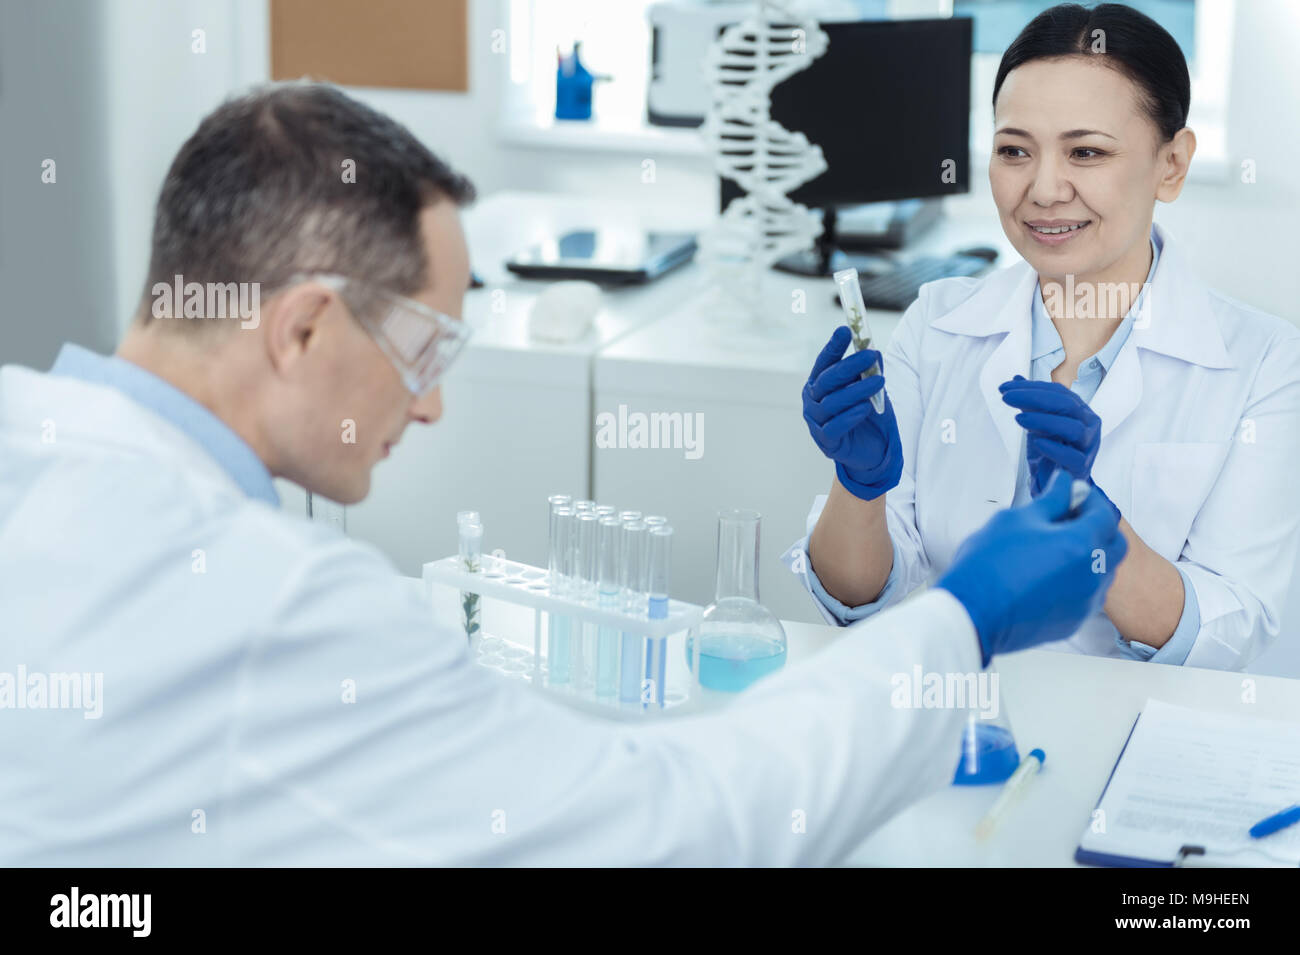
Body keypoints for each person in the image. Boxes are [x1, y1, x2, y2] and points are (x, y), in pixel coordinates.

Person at [0, 82, 1124, 867]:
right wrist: (968, 614)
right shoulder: (277, 605)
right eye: (425, 351)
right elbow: (673, 836)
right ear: (300, 331)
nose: (432, 404)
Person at [791, 2, 1300, 671]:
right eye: (1014, 151)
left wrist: (1094, 521)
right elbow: (859, 598)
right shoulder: (937, 324)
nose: (1044, 188)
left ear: (1171, 164)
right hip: (952, 728)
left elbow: (1230, 634)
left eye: (1086, 151)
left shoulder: (1265, 365)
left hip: (1131, 737)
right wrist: (857, 487)